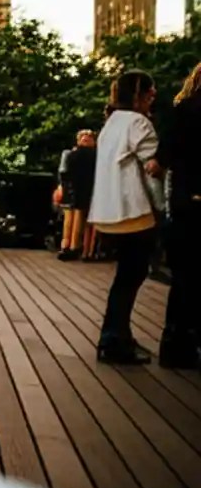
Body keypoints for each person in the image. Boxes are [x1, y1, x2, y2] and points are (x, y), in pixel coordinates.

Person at [88, 70, 163, 365]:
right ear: (138, 94)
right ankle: (114, 339)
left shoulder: (112, 123)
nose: (153, 96)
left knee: (126, 276)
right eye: (150, 91)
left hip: (109, 210)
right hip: (133, 209)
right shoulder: (138, 123)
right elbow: (153, 170)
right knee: (132, 275)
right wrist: (161, 206)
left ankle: (117, 334)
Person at [157, 63, 201, 369]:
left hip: (187, 203)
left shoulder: (182, 110)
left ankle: (176, 345)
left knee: (185, 276)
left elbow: (161, 160)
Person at [57, 130, 98, 261]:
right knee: (72, 218)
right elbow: (64, 173)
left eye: (89, 137)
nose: (86, 139)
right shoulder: (73, 154)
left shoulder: (75, 154)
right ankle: (69, 246)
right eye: (83, 137)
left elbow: (64, 172)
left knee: (82, 219)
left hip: (85, 189)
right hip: (76, 189)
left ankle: (79, 248)